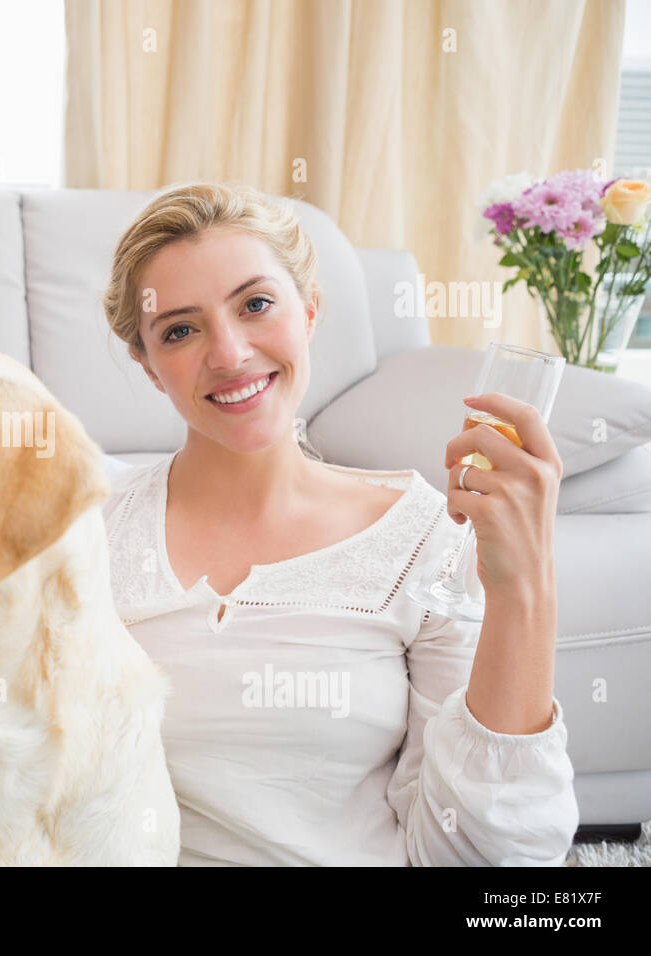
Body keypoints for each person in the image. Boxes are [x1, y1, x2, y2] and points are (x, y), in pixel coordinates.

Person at [99, 182, 580, 865]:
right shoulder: (88, 536)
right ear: (149, 367)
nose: (230, 353)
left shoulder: (421, 538)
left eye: (256, 305)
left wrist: (524, 585)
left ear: (311, 310)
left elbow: (491, 857)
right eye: (180, 329)